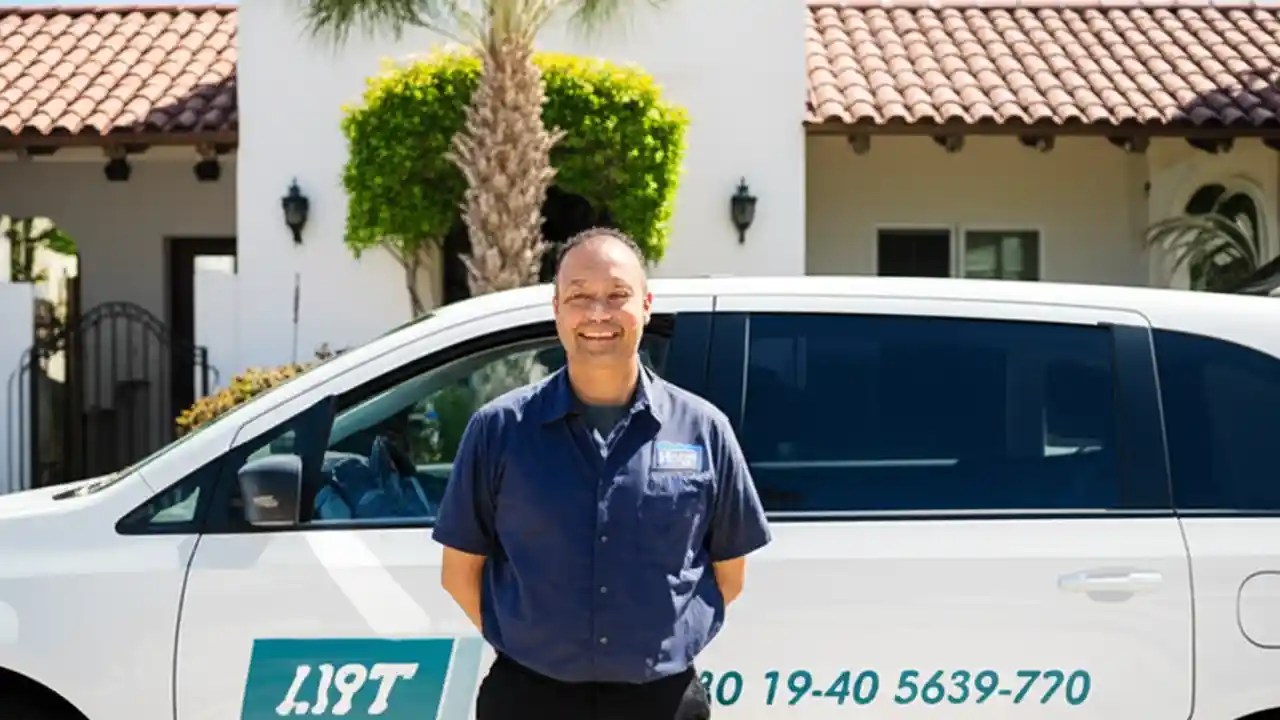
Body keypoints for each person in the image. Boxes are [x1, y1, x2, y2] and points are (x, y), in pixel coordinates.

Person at [432, 227, 772, 720]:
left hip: (662, 701)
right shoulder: (499, 430)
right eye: (579, 297)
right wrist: (533, 645)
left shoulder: (703, 429)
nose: (598, 314)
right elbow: (460, 571)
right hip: (529, 698)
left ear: (647, 305)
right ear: (556, 309)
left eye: (617, 295)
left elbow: (729, 575)